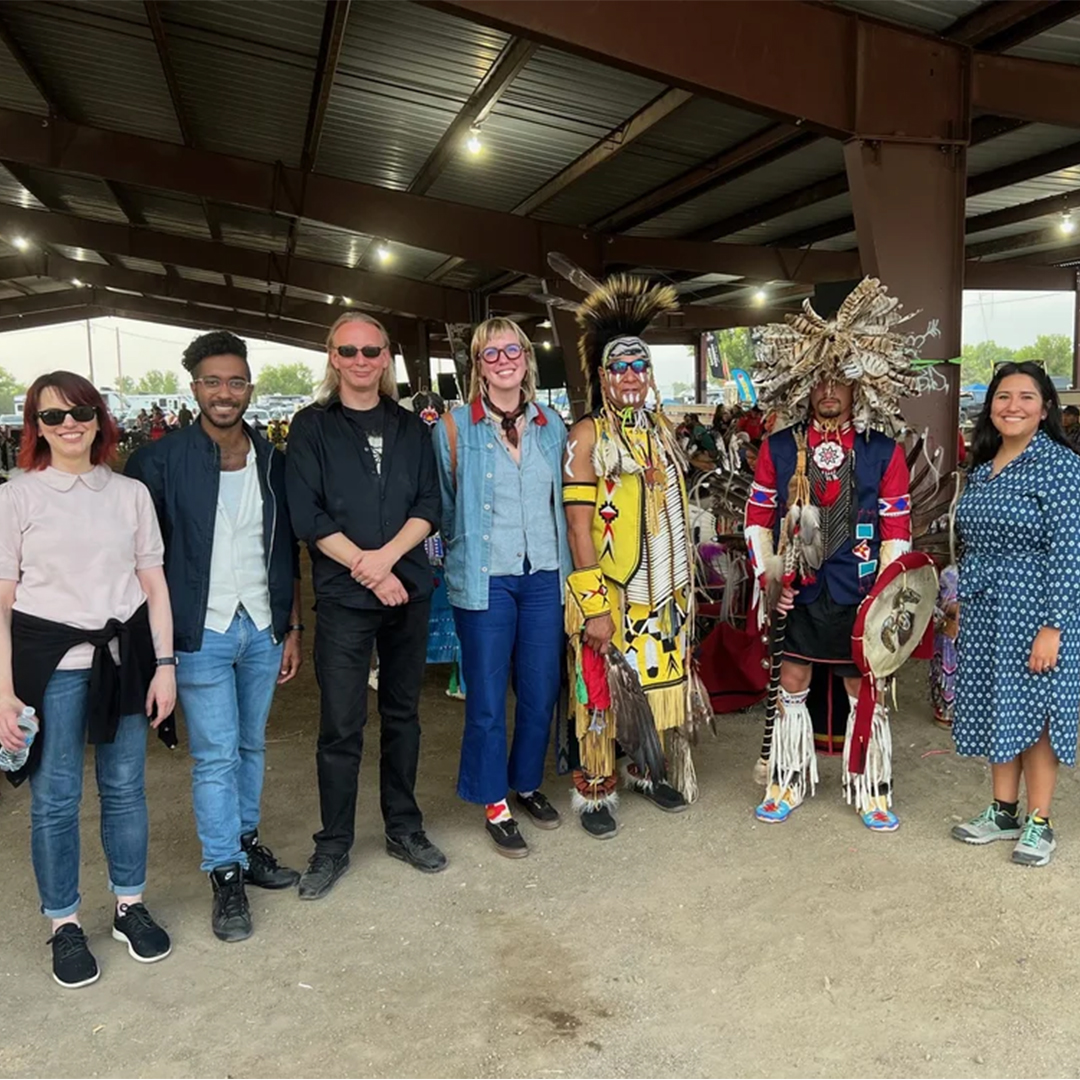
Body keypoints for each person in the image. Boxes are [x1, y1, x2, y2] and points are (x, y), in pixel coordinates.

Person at [126, 331, 303, 943]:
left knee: (251, 744)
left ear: (249, 388)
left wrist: (292, 626)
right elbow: (140, 559)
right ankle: (223, 872)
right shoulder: (158, 461)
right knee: (216, 754)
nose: (225, 393)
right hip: (198, 630)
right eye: (213, 381)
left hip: (261, 624)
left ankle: (246, 845)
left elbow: (284, 551)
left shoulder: (273, 461)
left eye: (236, 382)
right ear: (195, 386)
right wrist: (157, 650)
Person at [0, 372, 175, 988]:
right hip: (48, 667)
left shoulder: (129, 494)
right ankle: (64, 924)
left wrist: (165, 666)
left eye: (80, 412)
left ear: (100, 419)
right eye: (52, 417)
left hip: (123, 660)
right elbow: (3, 601)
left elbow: (153, 585)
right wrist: (2, 691)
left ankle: (130, 905)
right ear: (36, 427)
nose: (68, 424)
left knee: (126, 787)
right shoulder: (16, 497)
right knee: (55, 798)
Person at [744, 278, 917, 831]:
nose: (829, 391)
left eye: (840, 380)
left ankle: (872, 786)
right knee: (792, 680)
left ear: (859, 384)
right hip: (801, 590)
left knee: (860, 687)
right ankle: (787, 780)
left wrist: (888, 597)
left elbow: (897, 528)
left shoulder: (882, 451)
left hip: (860, 592)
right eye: (819, 380)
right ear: (805, 384)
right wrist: (772, 575)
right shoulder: (778, 447)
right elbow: (756, 520)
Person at [286, 311, 446, 899]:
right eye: (348, 351)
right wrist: (367, 569)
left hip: (407, 589)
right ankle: (333, 844)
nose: (360, 361)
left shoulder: (411, 429)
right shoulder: (311, 427)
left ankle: (404, 828)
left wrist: (387, 562)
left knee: (403, 716)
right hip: (346, 597)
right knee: (341, 724)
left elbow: (429, 503)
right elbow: (308, 515)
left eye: (371, 351)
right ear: (332, 357)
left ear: (386, 359)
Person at [562, 274, 698, 838]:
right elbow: (577, 525)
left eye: (640, 366)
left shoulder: (660, 430)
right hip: (612, 589)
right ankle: (596, 792)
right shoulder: (587, 436)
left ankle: (647, 768)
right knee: (602, 691)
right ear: (601, 375)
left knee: (655, 685)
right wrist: (593, 603)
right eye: (620, 367)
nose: (631, 377)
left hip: (664, 591)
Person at [433, 319, 572, 857]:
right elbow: (439, 510)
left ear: (527, 358)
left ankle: (527, 781)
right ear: (477, 364)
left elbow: (564, 499)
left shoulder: (550, 425)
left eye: (513, 349)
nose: (504, 359)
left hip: (543, 575)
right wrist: (444, 569)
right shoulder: (452, 429)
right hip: (484, 580)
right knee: (488, 698)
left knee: (541, 689)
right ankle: (494, 801)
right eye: (491, 353)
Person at [950, 361, 1080, 867]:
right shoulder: (983, 469)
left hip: (1037, 605)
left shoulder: (1062, 467)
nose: (1013, 406)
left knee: (1037, 712)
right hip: (986, 608)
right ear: (990, 408)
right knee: (994, 703)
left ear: (1045, 408)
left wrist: (1054, 626)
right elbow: (973, 545)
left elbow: (1070, 551)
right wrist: (959, 603)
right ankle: (1003, 812)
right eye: (1003, 397)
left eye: (1026, 397)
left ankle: (1039, 821)